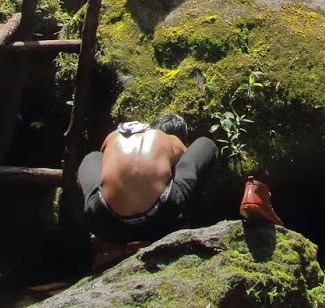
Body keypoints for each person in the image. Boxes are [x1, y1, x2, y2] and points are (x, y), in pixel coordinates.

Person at [78, 114, 220, 268]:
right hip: (163, 221)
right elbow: (190, 168)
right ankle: (193, 225)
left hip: (108, 226)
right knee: (205, 144)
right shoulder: (170, 140)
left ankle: (112, 247)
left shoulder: (113, 137)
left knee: (92, 157)